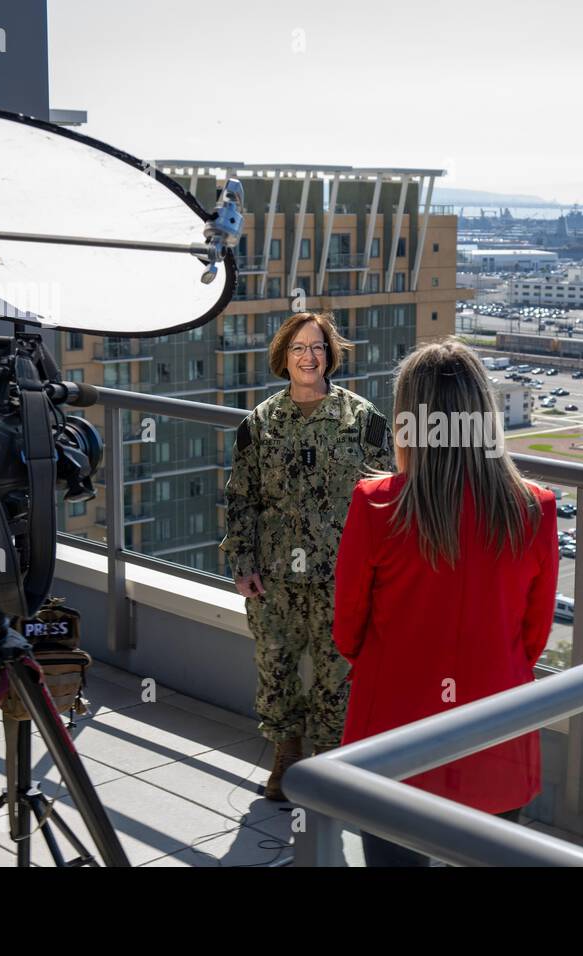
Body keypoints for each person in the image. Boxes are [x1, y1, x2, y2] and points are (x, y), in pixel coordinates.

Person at [332, 339, 558, 866]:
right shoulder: (534, 509)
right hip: (496, 728)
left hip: (394, 732)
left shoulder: (376, 505)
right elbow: (534, 636)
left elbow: (348, 629)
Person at [219, 311, 393, 801]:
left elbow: (386, 501)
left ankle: (330, 767)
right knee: (275, 665)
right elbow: (241, 498)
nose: (308, 357)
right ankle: (286, 756)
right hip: (273, 573)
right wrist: (243, 564)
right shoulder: (259, 422)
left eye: (316, 347)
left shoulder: (363, 420)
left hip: (341, 574)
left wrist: (381, 576)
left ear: (329, 355)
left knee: (337, 673)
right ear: (284, 356)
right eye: (298, 348)